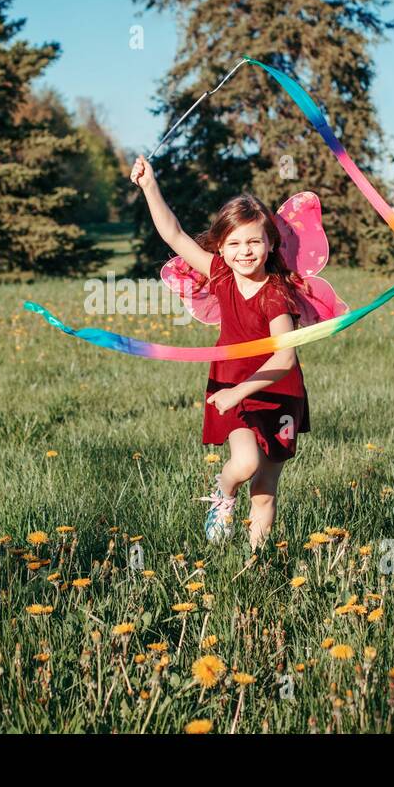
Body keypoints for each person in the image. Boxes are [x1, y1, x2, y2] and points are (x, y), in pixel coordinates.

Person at [131, 155, 309, 548]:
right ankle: (223, 493)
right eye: (234, 243)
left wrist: (237, 393)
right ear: (222, 248)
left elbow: (284, 359)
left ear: (270, 243)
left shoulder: (277, 295)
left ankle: (256, 560)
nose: (245, 251)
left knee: (265, 489)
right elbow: (174, 235)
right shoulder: (221, 276)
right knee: (244, 465)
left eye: (253, 241)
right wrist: (150, 187)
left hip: (277, 393)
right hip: (231, 384)